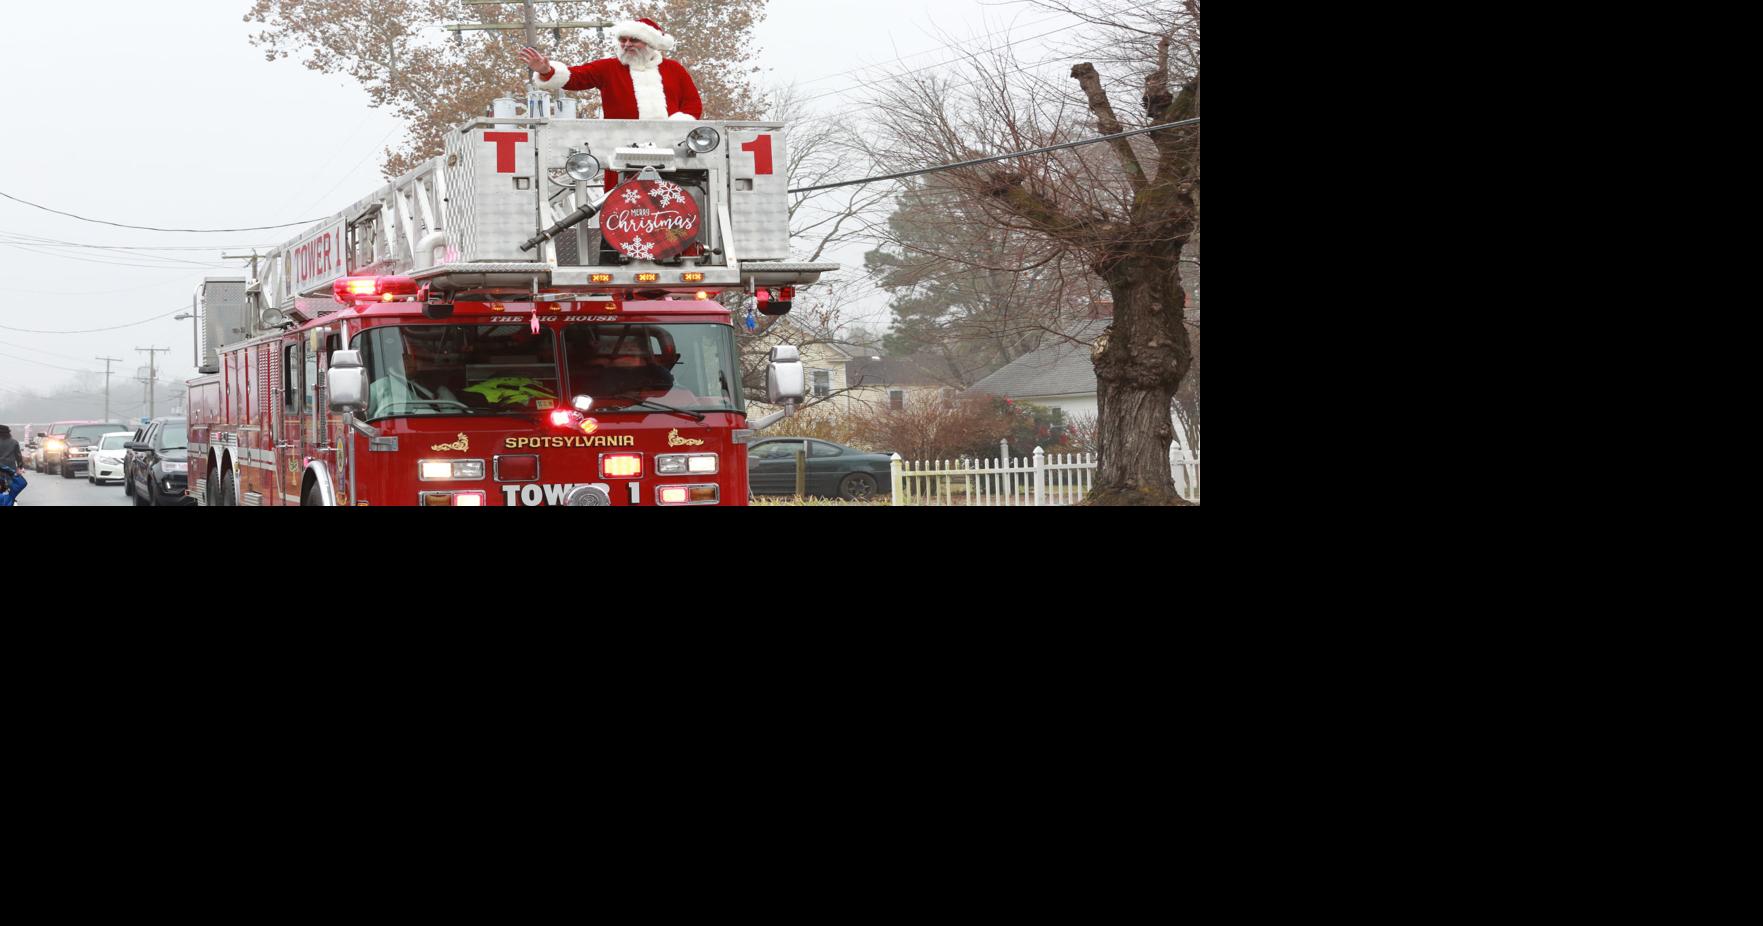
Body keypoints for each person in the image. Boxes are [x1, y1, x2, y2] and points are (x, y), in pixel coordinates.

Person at [518, 18, 703, 124]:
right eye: (623, 40)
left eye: (634, 40)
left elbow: (692, 103)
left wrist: (678, 126)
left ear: (651, 43)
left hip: (670, 149)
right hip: (621, 148)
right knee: (622, 193)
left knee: (668, 193)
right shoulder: (608, 68)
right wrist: (547, 70)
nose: (627, 44)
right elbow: (575, 77)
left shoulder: (674, 69)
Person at [369, 350, 462, 417]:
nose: (411, 362)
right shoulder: (381, 386)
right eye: (405, 357)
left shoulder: (437, 388)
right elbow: (360, 417)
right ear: (395, 360)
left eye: (415, 358)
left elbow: (457, 417)